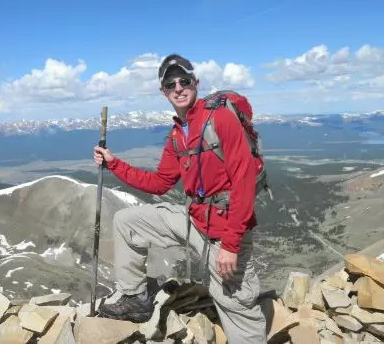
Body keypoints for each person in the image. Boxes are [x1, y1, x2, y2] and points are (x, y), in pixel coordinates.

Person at [93, 54, 267, 343]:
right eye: (170, 83)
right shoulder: (178, 134)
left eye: (184, 80)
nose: (178, 87)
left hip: (225, 231)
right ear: (163, 92)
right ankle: (135, 298)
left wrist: (232, 245)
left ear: (195, 83)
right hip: (195, 219)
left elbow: (244, 181)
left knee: (237, 305)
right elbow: (160, 183)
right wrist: (114, 163)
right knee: (127, 221)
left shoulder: (220, 119)